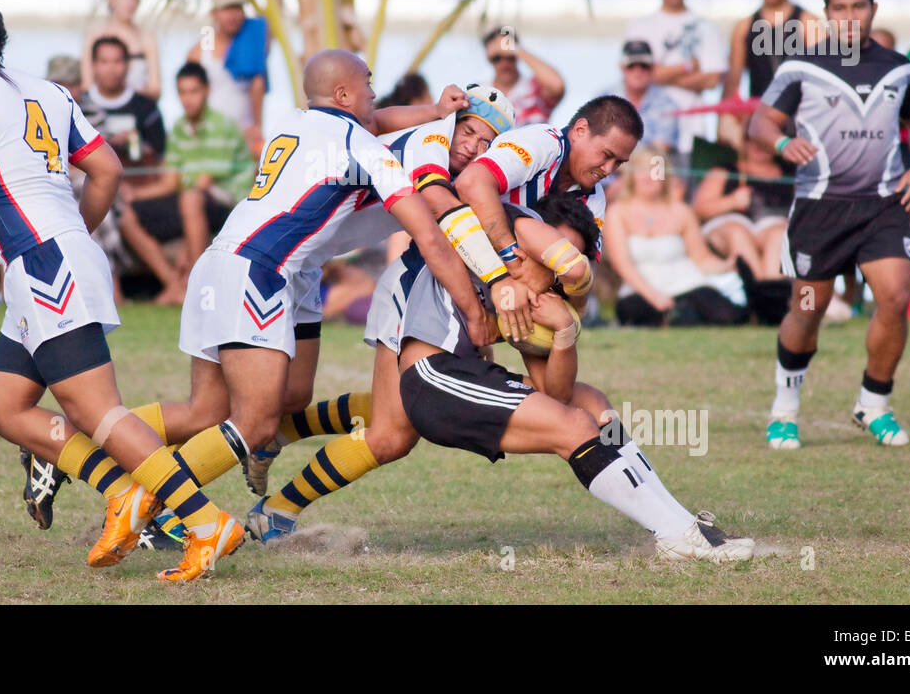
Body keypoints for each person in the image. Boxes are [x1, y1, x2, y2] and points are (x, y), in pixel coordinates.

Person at [17, 53, 492, 582]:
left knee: (229, 410)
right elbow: (428, 233)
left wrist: (432, 107)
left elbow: (373, 121)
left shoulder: (301, 120)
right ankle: (153, 503)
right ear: (342, 95)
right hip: (262, 270)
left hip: (265, 265)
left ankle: (74, 452)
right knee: (255, 422)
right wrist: (475, 311)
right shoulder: (369, 145)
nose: (375, 95)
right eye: (368, 85)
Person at [0, 0, 237, 577]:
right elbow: (105, 169)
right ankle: (119, 491)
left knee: (100, 413)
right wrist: (77, 236)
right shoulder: (50, 91)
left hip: (44, 263)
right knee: (6, 407)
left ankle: (206, 523)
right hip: (55, 259)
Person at [243, 96, 642, 531]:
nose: (609, 168)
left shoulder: (592, 198)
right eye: (607, 155)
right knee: (393, 433)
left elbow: (579, 279)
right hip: (428, 286)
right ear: (580, 130)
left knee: (579, 402)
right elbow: (472, 186)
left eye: (620, 162)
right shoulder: (541, 144)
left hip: (490, 298)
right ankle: (272, 500)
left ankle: (649, 493)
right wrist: (511, 270)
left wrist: (561, 306)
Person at [392, 201, 754, 561]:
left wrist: (565, 330)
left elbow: (558, 393)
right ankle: (675, 535)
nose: (558, 276)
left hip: (463, 376)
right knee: (575, 424)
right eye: (553, 259)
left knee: (591, 404)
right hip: (433, 377)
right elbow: (465, 190)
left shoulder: (534, 296)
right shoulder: (486, 245)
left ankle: (681, 524)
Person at [241, 84, 518, 533]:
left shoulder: (436, 150)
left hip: (300, 264)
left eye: (487, 143)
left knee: (366, 413)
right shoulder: (430, 143)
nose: (473, 147)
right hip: (270, 260)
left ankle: (277, 448)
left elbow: (375, 122)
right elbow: (435, 218)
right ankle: (241, 505)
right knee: (390, 432)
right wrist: (486, 299)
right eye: (468, 131)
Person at [749, 0, 910, 449]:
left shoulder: (898, 68)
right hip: (819, 207)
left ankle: (873, 403)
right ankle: (784, 409)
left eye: (859, 6)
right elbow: (760, 124)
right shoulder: (801, 68)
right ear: (827, 13)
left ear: (873, 9)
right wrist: (784, 141)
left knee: (895, 297)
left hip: (882, 205)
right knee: (809, 307)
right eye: (839, 8)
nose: (850, 16)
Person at [126, 62, 257, 303]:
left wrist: (180, 181)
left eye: (193, 91)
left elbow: (203, 183)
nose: (188, 99)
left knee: (190, 198)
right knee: (125, 214)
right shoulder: (178, 128)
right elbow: (169, 182)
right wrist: (133, 194)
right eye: (182, 92)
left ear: (207, 91)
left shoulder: (222, 125)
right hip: (193, 199)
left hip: (229, 203)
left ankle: (197, 285)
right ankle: (174, 285)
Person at [603, 149, 747, 326]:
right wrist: (654, 296)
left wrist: (728, 265)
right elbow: (621, 263)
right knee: (634, 311)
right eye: (642, 169)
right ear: (632, 175)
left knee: (729, 315)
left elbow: (701, 259)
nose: (648, 176)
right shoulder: (617, 212)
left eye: (655, 169)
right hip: (640, 290)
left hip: (687, 283)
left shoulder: (682, 211)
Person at [623, 0, 727, 154]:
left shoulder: (706, 28)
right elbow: (635, 76)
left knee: (685, 184)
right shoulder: (639, 27)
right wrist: (685, 67)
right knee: (654, 179)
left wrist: (659, 74)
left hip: (692, 130)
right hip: (650, 133)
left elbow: (712, 80)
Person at [692, 138, 794, 281]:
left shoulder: (790, 174)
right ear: (745, 142)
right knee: (737, 232)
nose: (759, 146)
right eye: (753, 140)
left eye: (764, 142)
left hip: (773, 228)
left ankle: (771, 290)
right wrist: (731, 201)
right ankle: (757, 289)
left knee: (779, 235)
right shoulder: (726, 170)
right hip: (729, 226)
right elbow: (699, 210)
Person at [184, 0, 270, 152]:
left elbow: (258, 85)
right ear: (215, 13)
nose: (233, 15)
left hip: (245, 133)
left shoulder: (252, 45)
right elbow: (189, 90)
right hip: (209, 134)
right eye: (226, 9)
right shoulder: (201, 51)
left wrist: (257, 126)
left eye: (237, 9)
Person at [81, 35, 166, 196]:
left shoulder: (146, 107)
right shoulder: (79, 106)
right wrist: (109, 144)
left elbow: (160, 158)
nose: (111, 69)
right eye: (104, 62)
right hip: (90, 191)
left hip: (137, 191)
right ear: (93, 65)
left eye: (117, 61)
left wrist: (136, 146)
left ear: (127, 65)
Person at [78, 0, 160, 99]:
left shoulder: (146, 38)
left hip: (138, 107)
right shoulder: (94, 36)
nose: (130, 3)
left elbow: (155, 89)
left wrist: (126, 96)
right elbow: (86, 85)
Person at [481, 26, 565, 125]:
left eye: (509, 57)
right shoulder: (480, 94)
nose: (504, 64)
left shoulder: (535, 90)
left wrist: (515, 49)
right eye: (497, 58)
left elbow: (557, 85)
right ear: (488, 58)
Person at [612, 40, 680, 157]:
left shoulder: (667, 104)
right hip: (607, 172)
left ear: (653, 68)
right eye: (631, 65)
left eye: (644, 66)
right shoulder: (604, 99)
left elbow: (661, 148)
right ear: (622, 67)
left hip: (648, 171)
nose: (638, 71)